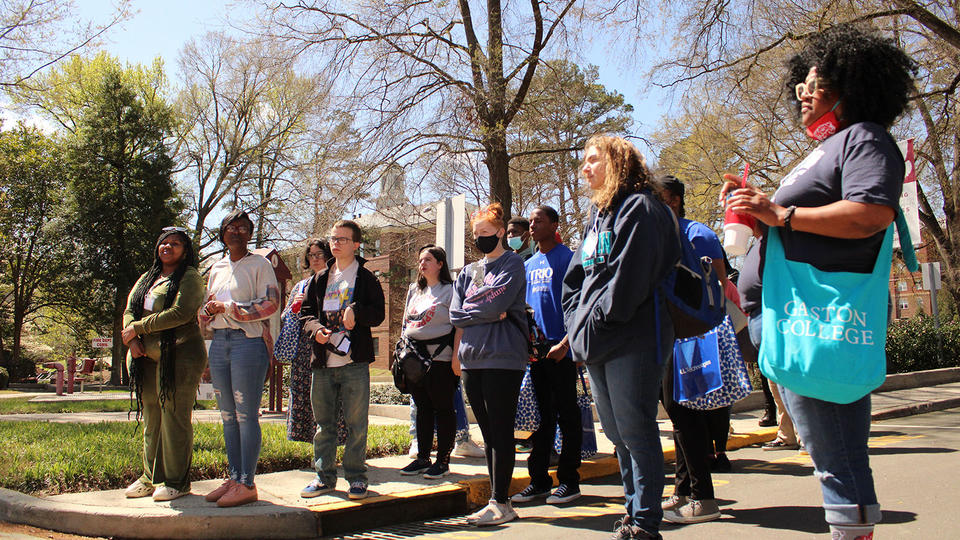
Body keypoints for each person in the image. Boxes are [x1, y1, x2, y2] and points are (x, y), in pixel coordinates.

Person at [722, 25, 916, 540]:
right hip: (787, 314)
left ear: (850, 86)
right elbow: (795, 224)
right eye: (800, 85)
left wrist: (780, 214)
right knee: (827, 450)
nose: (803, 94)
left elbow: (870, 213)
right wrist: (757, 214)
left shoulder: (865, 138)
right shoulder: (827, 149)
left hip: (818, 315)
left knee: (836, 454)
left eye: (815, 84)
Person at [562, 135, 680, 540]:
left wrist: (594, 323)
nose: (585, 168)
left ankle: (646, 522)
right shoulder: (599, 215)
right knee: (616, 433)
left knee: (636, 429)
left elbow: (630, 281)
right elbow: (575, 280)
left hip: (634, 339)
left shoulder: (642, 208)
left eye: (593, 160)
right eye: (584, 161)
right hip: (596, 341)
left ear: (617, 162)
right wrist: (577, 324)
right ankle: (632, 514)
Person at [451, 203, 528, 526]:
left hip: (503, 357)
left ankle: (500, 500)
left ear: (499, 232)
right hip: (472, 358)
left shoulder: (513, 263)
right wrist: (486, 310)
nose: (480, 238)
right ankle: (498, 500)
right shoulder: (469, 271)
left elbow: (499, 301)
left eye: (486, 232)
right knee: (487, 432)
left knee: (501, 429)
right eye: (476, 233)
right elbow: (455, 313)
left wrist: (480, 308)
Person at [654, 175, 724, 524]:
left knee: (684, 412)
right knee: (676, 410)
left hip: (691, 336)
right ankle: (683, 490)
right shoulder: (658, 233)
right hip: (666, 334)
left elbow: (718, 285)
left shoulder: (697, 233)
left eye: (660, 198)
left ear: (676, 200)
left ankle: (703, 497)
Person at [199, 210, 281, 507]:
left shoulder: (260, 264)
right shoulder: (216, 267)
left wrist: (230, 308)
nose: (236, 232)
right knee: (227, 416)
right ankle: (233, 478)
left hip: (248, 342)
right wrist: (208, 312)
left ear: (250, 233)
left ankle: (247, 483)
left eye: (243, 228)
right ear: (222, 233)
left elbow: (271, 303)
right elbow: (207, 308)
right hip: (219, 343)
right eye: (230, 227)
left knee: (246, 415)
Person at [299, 220, 385, 500]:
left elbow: (378, 314)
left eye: (342, 239)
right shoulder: (320, 278)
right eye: (333, 238)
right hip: (323, 363)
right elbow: (306, 314)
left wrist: (356, 311)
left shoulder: (366, 278)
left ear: (356, 244)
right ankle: (323, 477)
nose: (335, 243)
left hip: (353, 363)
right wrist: (316, 330)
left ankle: (357, 478)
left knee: (356, 425)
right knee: (324, 425)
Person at [121, 227, 207, 502]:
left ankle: (176, 481)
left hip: (181, 354)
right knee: (152, 417)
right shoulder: (149, 277)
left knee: (173, 416)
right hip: (145, 356)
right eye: (164, 242)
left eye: (176, 243)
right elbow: (130, 310)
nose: (168, 247)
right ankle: (150, 477)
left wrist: (138, 328)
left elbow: (180, 313)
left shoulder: (190, 277)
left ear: (186, 250)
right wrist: (132, 339)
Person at [511, 205, 582, 506]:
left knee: (567, 415)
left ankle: (569, 481)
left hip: (561, 350)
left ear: (554, 225)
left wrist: (566, 344)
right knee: (541, 418)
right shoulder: (528, 264)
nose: (532, 226)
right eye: (530, 221)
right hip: (536, 353)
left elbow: (581, 305)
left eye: (538, 221)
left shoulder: (569, 258)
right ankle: (538, 481)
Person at [399, 245, 461, 479]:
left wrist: (456, 357)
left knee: (443, 409)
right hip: (414, 360)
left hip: (440, 359)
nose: (422, 264)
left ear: (440, 264)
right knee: (422, 408)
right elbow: (405, 324)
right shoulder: (414, 290)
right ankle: (423, 458)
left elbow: (459, 326)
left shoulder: (450, 290)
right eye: (420, 260)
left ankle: (443, 461)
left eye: (428, 260)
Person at [280, 239, 347, 445]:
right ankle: (316, 449)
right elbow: (285, 318)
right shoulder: (300, 286)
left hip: (329, 347)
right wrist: (294, 307)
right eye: (311, 255)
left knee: (332, 398)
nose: (315, 259)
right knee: (306, 398)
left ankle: (331, 447)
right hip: (304, 352)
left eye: (320, 254)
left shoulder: (339, 282)